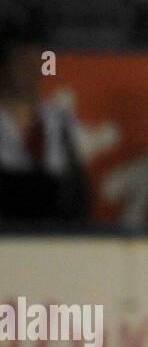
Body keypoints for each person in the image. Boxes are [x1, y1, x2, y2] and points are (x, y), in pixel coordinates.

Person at [0, 26, 90, 226]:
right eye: (23, 64)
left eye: (37, 64)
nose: (32, 72)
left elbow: (77, 187)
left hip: (51, 228)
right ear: (5, 68)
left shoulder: (58, 121)